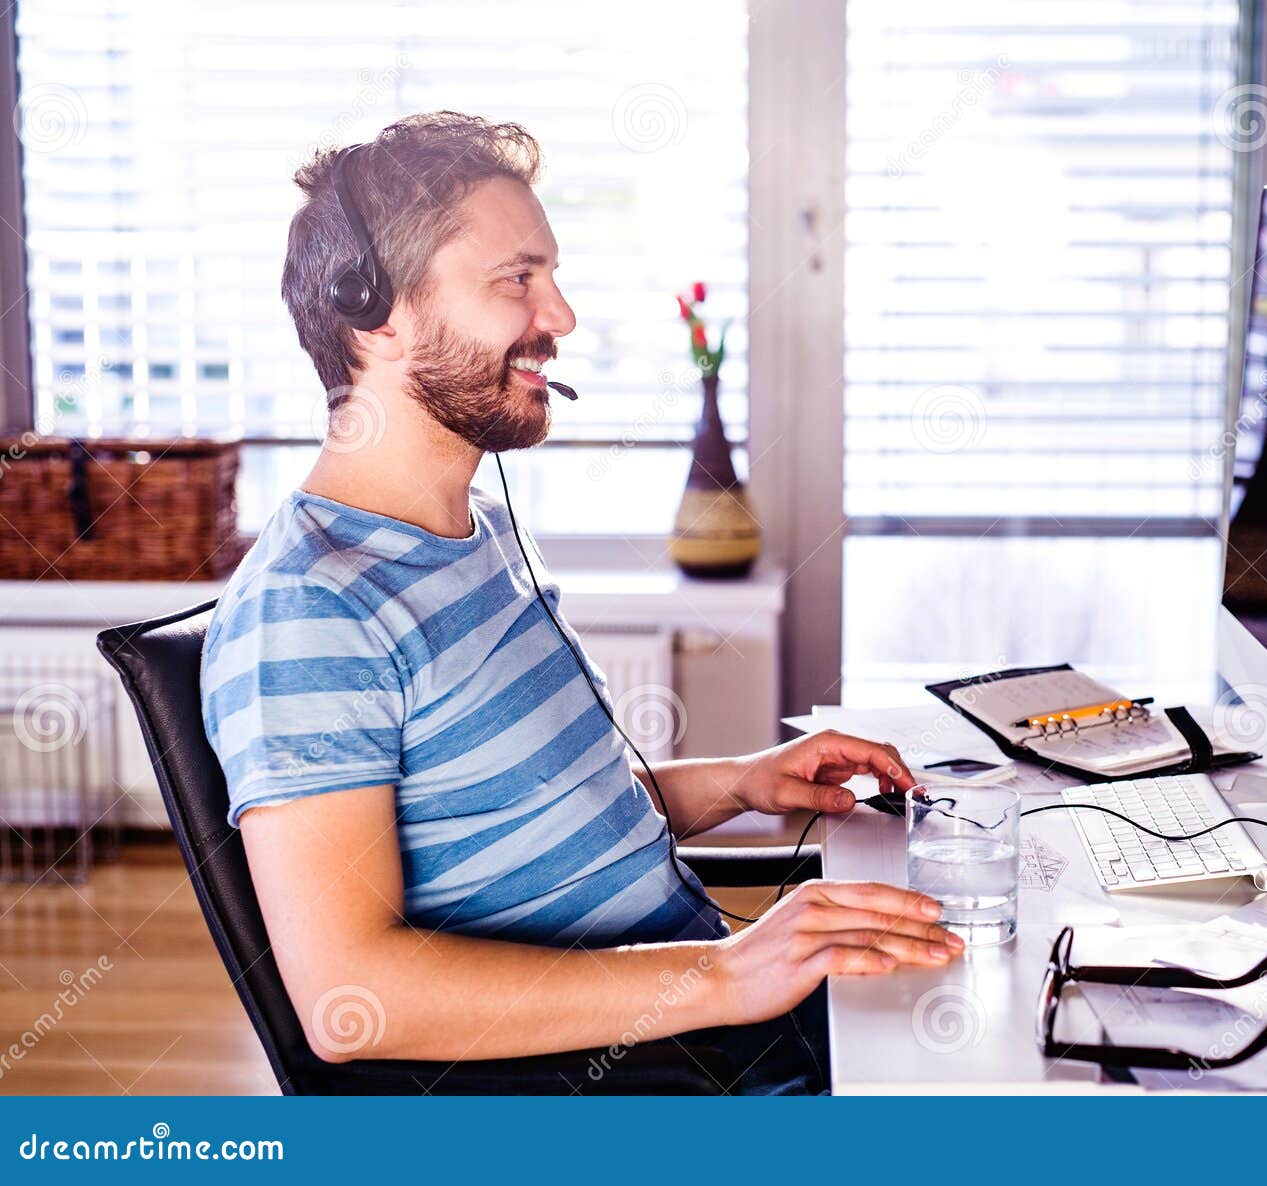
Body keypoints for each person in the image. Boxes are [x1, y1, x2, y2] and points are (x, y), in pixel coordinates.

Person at [199, 112, 961, 1095]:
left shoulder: (472, 535)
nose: (559, 317)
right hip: (632, 1080)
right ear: (375, 312)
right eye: (517, 279)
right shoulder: (311, 609)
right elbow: (351, 995)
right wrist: (728, 971)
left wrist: (737, 781)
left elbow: (531, 825)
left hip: (706, 1022)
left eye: (549, 275)